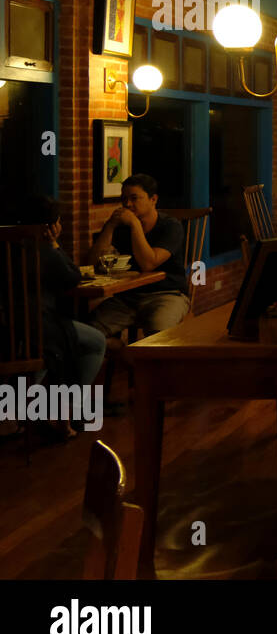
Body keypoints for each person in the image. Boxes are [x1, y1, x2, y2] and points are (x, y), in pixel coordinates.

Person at [24, 195, 107, 440]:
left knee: (47, 345)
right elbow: (72, 277)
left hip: (9, 329)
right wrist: (55, 246)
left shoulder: (9, 245)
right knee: (95, 341)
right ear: (50, 227)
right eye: (58, 222)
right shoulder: (43, 250)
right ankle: (72, 409)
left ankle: (31, 411)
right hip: (36, 328)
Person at [87, 174, 190, 346]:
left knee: (159, 338)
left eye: (134, 198)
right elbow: (90, 263)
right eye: (124, 199)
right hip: (127, 297)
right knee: (86, 332)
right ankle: (123, 352)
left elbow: (148, 264)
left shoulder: (171, 226)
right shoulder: (120, 225)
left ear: (153, 199)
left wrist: (135, 224)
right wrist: (110, 227)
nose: (127, 204)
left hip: (167, 295)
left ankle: (151, 369)